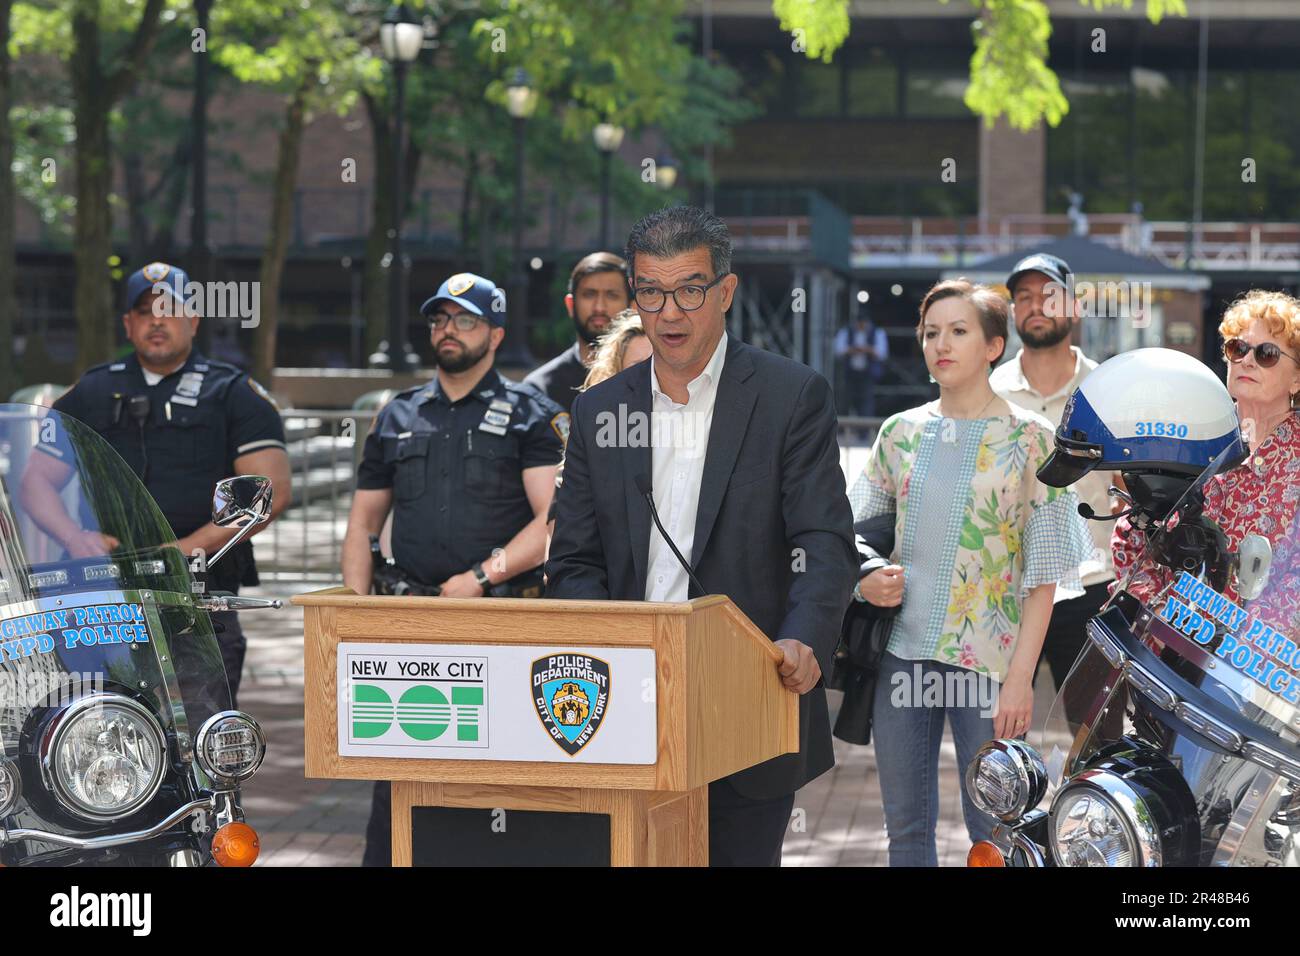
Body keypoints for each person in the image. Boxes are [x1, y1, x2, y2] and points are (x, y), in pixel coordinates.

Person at [546, 205, 859, 867]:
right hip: (624, 705)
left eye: (689, 289)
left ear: (725, 291)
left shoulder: (790, 396)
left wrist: (803, 638)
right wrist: (609, 655)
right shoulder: (600, 409)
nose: (669, 313)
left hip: (751, 698)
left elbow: (824, 541)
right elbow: (574, 557)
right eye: (651, 292)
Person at [848, 277, 1091, 867]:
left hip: (991, 666)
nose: (941, 344)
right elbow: (851, 535)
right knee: (905, 831)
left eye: (958, 331)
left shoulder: (1033, 440)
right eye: (931, 332)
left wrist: (1020, 680)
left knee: (996, 833)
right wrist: (863, 577)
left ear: (993, 346)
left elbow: (1046, 576)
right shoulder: (898, 433)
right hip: (901, 657)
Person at [340, 271, 565, 866]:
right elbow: (363, 521)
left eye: (464, 320)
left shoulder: (531, 415)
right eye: (439, 319)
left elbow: (553, 523)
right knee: (401, 771)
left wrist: (481, 578)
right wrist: (350, 611)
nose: (447, 330)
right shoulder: (396, 414)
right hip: (410, 624)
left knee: (498, 769)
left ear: (494, 334)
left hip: (500, 624)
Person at [18, 261, 291, 707]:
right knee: (95, 731)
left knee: (205, 743)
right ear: (129, 324)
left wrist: (190, 546)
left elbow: (272, 489)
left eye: (170, 307)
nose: (157, 319)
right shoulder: (92, 391)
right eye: (144, 311)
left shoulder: (233, 392)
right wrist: (74, 537)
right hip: (106, 596)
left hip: (200, 596)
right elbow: (34, 484)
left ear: (194, 319)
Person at [1113, 290, 1300, 624]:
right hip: (1164, 658)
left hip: (1261, 668)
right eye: (1237, 348)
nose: (1247, 360)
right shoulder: (1194, 436)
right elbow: (1131, 536)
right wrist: (1161, 616)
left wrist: (1229, 642)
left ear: (1297, 378)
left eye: (1267, 353)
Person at [990, 253, 1118, 698]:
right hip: (1006, 589)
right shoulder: (989, 392)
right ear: (1011, 312)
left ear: (1075, 307)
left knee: (1097, 733)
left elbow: (1129, 492)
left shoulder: (1109, 389)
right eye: (1023, 297)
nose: (1035, 305)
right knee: (1002, 739)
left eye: (1048, 295)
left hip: (1090, 588)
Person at [524, 252, 631, 412]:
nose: (599, 307)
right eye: (589, 295)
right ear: (570, 305)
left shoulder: (652, 381)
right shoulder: (539, 390)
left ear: (633, 307)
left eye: (612, 295)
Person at [834, 310, 888, 418]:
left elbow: (883, 353)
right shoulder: (846, 332)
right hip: (850, 373)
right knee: (845, 400)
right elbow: (838, 350)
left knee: (866, 401)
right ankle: (841, 429)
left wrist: (867, 350)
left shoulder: (877, 332)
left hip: (867, 373)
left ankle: (864, 432)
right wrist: (852, 350)